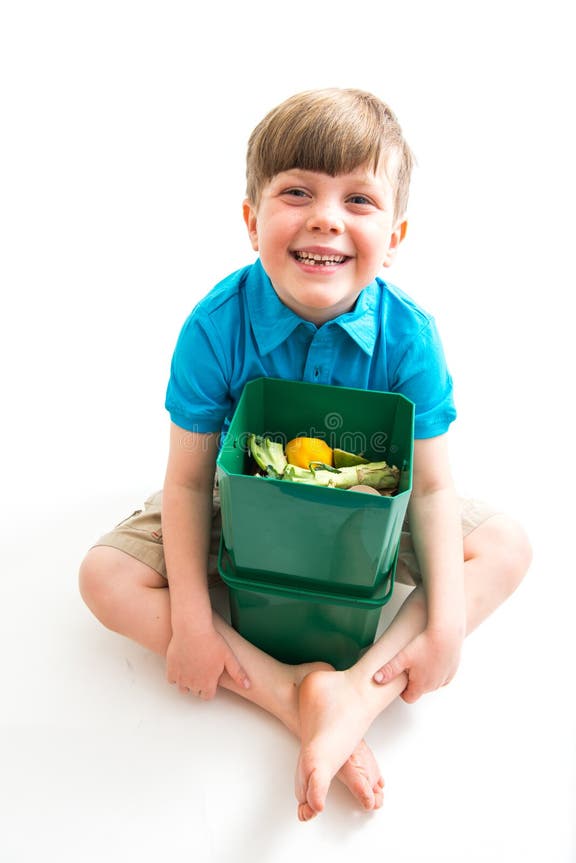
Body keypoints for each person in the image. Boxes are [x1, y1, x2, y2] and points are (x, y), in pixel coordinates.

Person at [79, 88, 531, 822]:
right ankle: (293, 694)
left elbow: (434, 492)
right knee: (104, 576)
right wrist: (193, 618)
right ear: (253, 218)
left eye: (359, 199)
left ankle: (358, 692)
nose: (327, 216)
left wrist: (445, 620)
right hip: (245, 505)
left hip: (369, 520)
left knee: (506, 544)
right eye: (298, 192)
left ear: (397, 234)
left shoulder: (410, 336)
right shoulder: (214, 327)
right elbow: (191, 485)